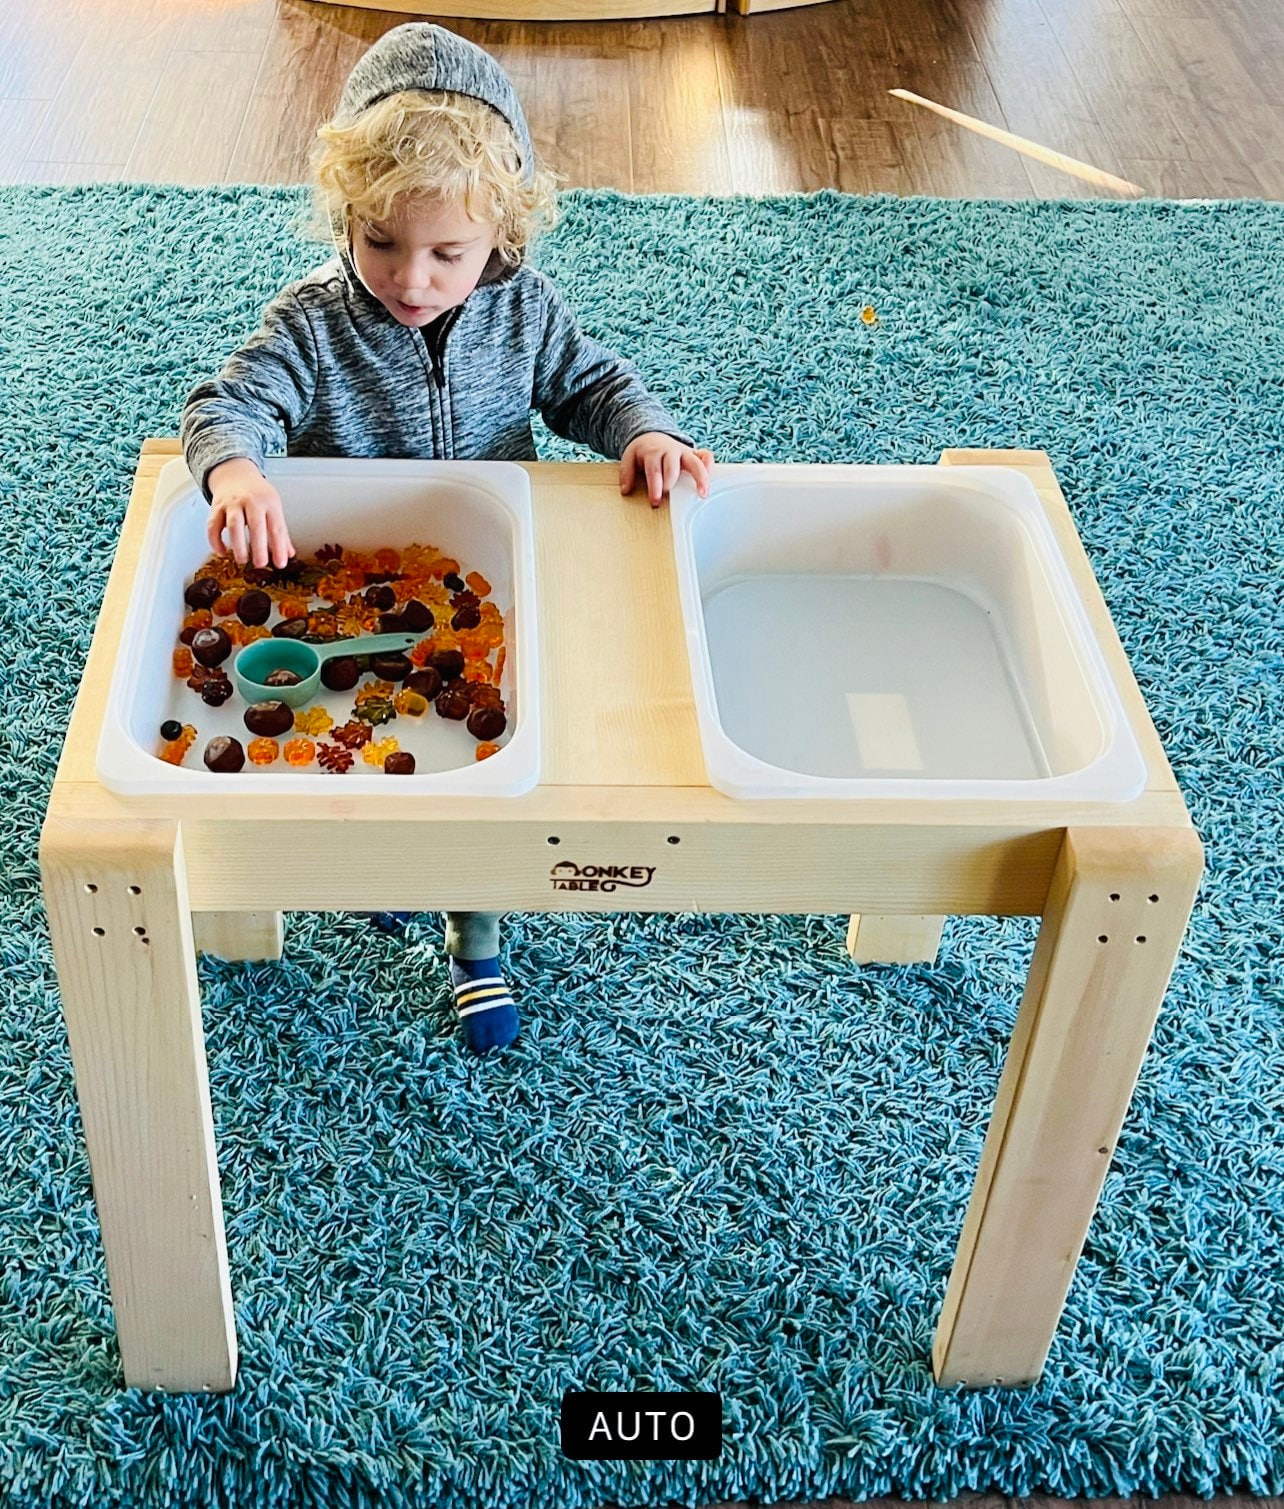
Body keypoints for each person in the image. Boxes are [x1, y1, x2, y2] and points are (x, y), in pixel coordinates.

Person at [180, 22, 715, 1056]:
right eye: (380, 242)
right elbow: (228, 403)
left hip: (480, 570)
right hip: (350, 587)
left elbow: (592, 385)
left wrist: (646, 430)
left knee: (480, 757)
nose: (412, 280)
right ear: (345, 218)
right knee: (368, 735)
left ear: (502, 236)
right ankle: (378, 867)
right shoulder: (312, 323)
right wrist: (237, 467)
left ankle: (475, 931)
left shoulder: (522, 307)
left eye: (447, 254)